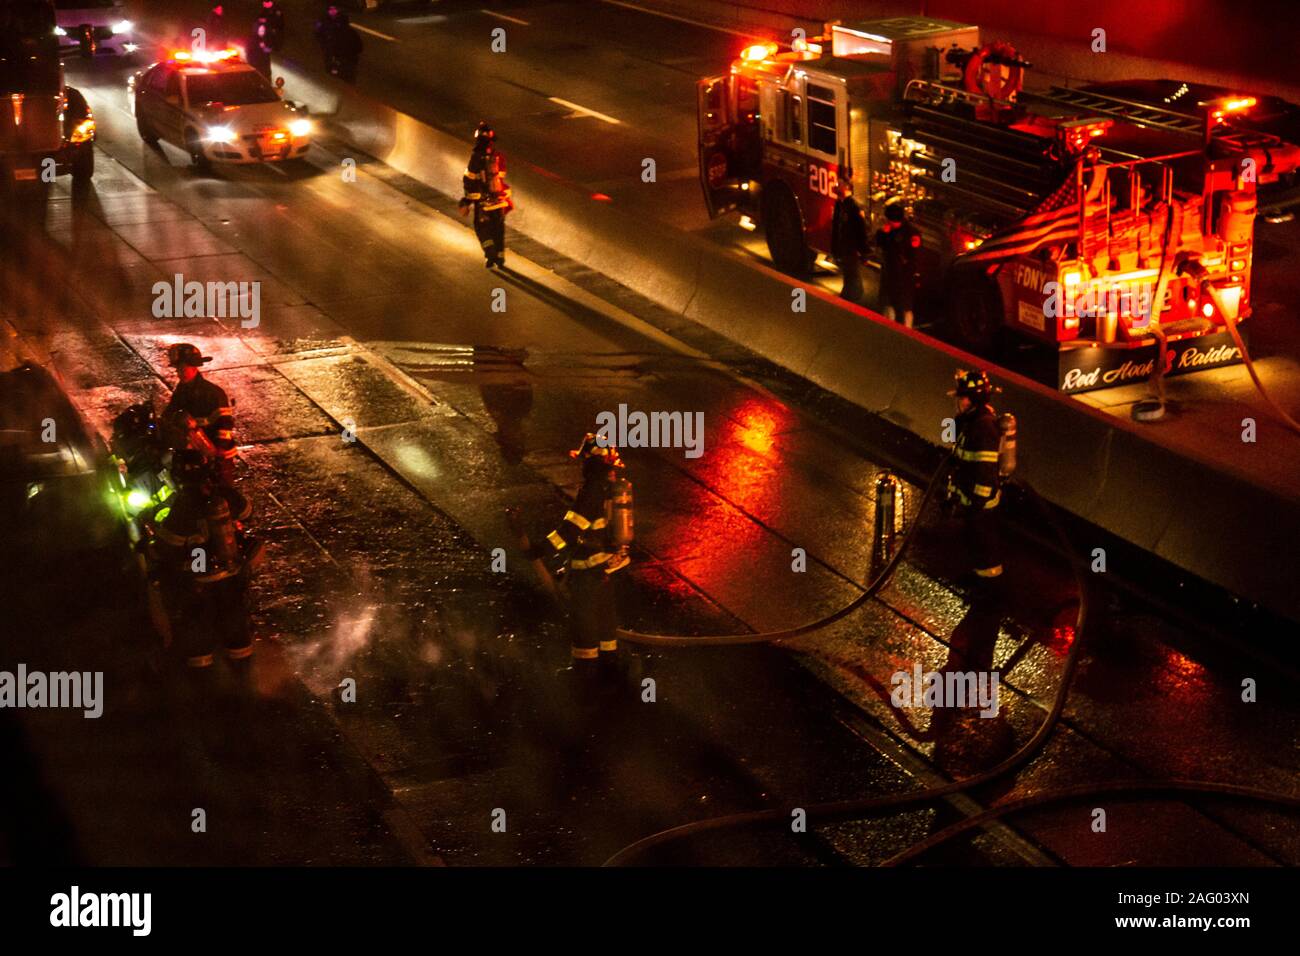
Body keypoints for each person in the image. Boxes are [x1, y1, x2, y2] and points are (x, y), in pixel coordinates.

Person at [528, 433, 632, 688]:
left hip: (589, 568)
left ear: (593, 463)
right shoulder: (616, 484)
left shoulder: (593, 489)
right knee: (605, 616)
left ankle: (585, 672)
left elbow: (572, 528)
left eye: (585, 460)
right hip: (610, 565)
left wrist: (541, 548)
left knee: (583, 619)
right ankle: (609, 664)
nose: (582, 465)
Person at [152, 449, 253, 669]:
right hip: (231, 573)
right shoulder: (221, 494)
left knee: (197, 630)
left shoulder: (182, 505)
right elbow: (247, 511)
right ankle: (246, 676)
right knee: (236, 628)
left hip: (200, 577)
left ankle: (204, 683)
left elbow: (169, 544)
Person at [947, 369, 1004, 582]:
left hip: (981, 501)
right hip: (969, 495)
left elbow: (986, 469)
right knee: (972, 540)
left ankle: (991, 584)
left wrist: (979, 501)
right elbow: (956, 449)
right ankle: (977, 577)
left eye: (962, 398)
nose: (959, 402)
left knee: (984, 544)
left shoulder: (985, 426)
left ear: (974, 399)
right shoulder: (967, 421)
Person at [161, 343, 238, 487]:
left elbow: (225, 425)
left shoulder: (213, 393)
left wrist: (219, 451)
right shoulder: (182, 390)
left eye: (182, 368)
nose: (179, 373)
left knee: (221, 493)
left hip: (216, 456)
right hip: (195, 452)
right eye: (177, 369)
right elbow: (171, 412)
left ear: (194, 366)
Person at [460, 122, 513, 268]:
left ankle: (491, 256)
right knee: (498, 229)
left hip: (484, 203)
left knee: (481, 228)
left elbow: (469, 178)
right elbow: (501, 176)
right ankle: (500, 258)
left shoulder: (476, 156)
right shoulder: (497, 156)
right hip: (499, 200)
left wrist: (466, 201)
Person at [875, 201, 921, 327]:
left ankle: (907, 331)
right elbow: (879, 244)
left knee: (905, 306)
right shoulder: (887, 230)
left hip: (904, 274)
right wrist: (882, 233)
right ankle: (888, 327)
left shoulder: (911, 233)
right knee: (888, 303)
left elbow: (913, 255)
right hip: (890, 272)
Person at [831, 172, 868, 303]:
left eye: (839, 184)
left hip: (852, 249)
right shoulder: (840, 205)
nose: (836, 186)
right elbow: (836, 227)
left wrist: (863, 252)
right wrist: (834, 248)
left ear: (847, 187)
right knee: (848, 275)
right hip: (844, 248)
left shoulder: (854, 207)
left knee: (853, 276)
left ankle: (851, 300)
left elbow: (861, 230)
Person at [315, 4, 362, 83]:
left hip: (342, 61)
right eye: (331, 10)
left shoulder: (337, 33)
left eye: (334, 10)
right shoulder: (352, 33)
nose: (333, 12)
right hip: (350, 61)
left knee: (339, 77)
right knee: (349, 80)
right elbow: (359, 47)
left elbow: (332, 46)